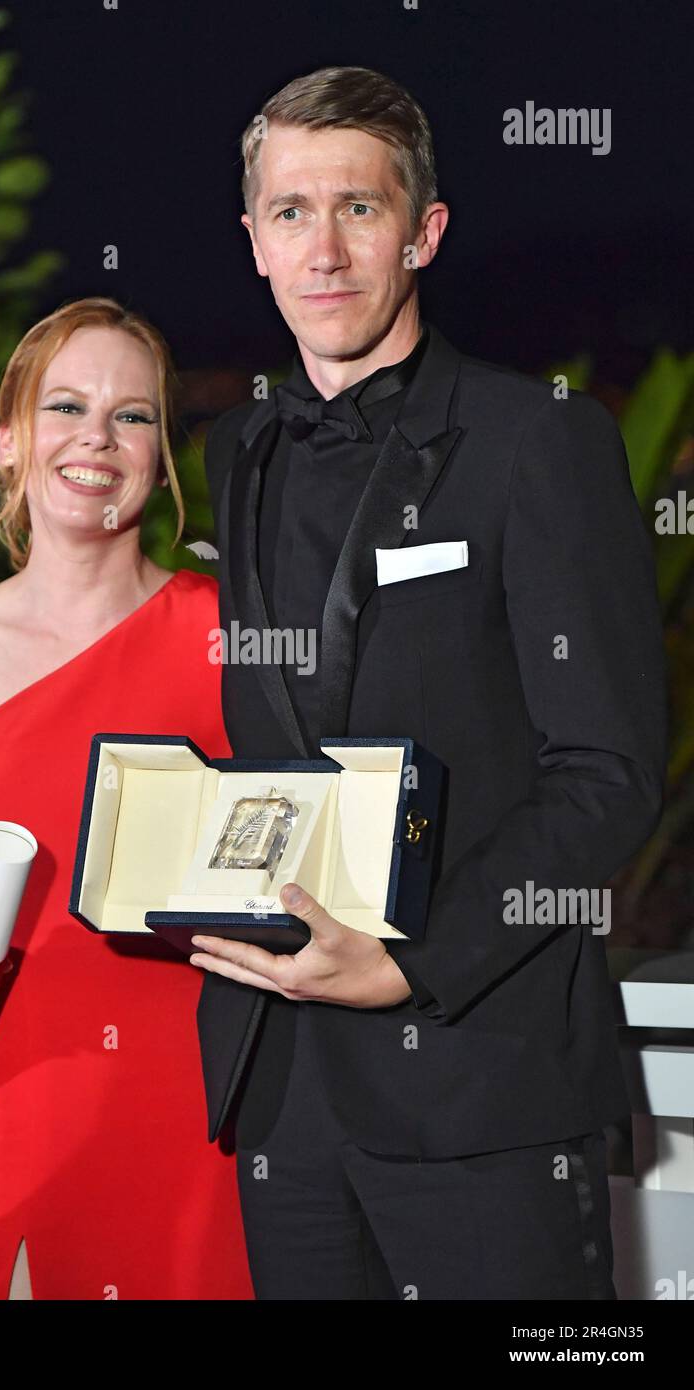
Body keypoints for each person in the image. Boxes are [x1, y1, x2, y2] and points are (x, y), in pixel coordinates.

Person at [188, 66, 668, 1300]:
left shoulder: (539, 441)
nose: (327, 248)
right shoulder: (238, 449)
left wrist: (417, 962)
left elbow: (607, 777)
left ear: (425, 231)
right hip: (281, 1087)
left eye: (360, 207)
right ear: (252, 242)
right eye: (291, 212)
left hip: (483, 1078)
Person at [0, 297, 253, 1300]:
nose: (97, 438)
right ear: (8, 441)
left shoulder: (230, 640)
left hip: (186, 1086)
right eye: (65, 405)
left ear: (162, 455)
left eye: (134, 415)